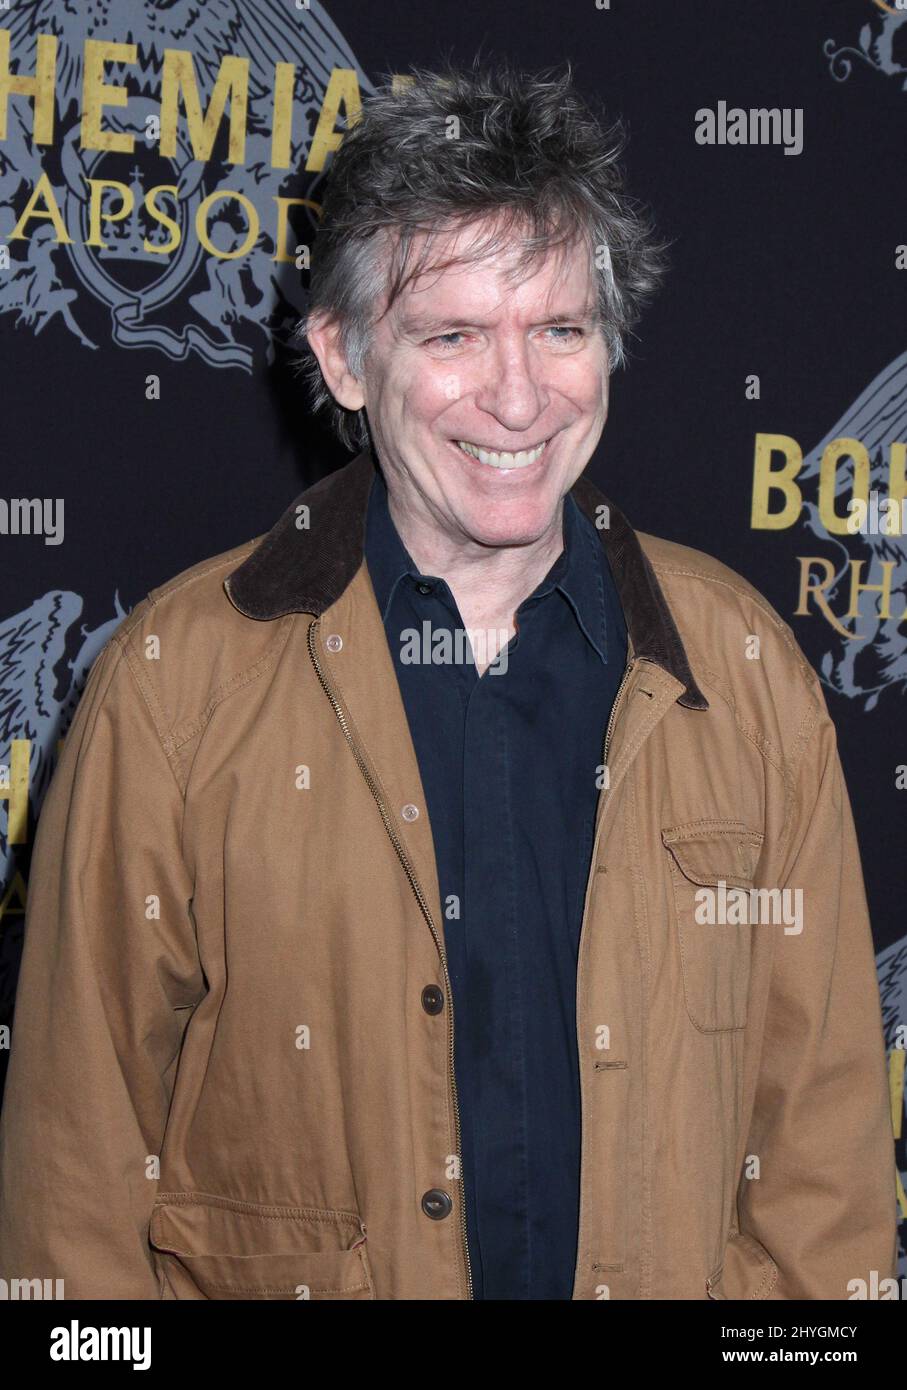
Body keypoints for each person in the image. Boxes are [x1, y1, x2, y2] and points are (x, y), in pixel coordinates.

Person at [0, 59, 896, 1300]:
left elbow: (823, 1175)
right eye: (454, 334)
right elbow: (76, 1178)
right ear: (347, 356)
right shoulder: (173, 687)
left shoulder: (744, 677)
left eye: (559, 330)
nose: (518, 395)